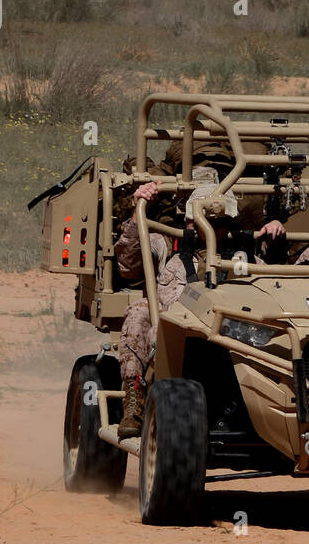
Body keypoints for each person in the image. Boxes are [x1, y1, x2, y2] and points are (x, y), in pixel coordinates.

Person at [113, 171, 284, 438]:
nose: (208, 229)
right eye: (200, 220)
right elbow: (127, 264)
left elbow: (272, 289)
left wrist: (273, 236)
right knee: (139, 312)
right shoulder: (167, 242)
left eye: (216, 222)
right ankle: (134, 400)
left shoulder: (244, 253)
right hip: (172, 337)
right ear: (188, 218)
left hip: (229, 341)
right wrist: (138, 212)